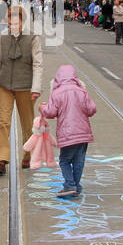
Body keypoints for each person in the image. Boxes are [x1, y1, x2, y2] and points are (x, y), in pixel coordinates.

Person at [0, 1, 43, 175]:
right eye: (10, 22)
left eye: (16, 21)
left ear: (22, 21)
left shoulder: (33, 38)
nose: (13, 25)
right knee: (3, 121)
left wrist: (36, 88)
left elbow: (38, 65)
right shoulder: (4, 38)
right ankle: (2, 160)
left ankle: (27, 155)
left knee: (27, 123)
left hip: (25, 86)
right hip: (5, 85)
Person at [39, 63, 96, 198]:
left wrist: (42, 107)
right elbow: (92, 109)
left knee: (64, 160)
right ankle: (76, 185)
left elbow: (51, 112)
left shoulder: (57, 93)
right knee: (79, 160)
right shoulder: (82, 91)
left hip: (67, 133)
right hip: (83, 133)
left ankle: (70, 185)